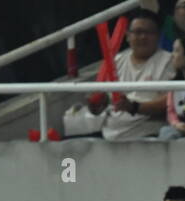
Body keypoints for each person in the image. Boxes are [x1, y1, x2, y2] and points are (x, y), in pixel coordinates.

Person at [65, 8, 173, 140]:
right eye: (138, 32)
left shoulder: (169, 61)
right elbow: (100, 106)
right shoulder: (115, 61)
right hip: (110, 134)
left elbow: (169, 101)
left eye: (149, 32)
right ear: (128, 36)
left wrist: (133, 107)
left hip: (147, 135)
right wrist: (96, 105)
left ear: (158, 35)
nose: (143, 37)